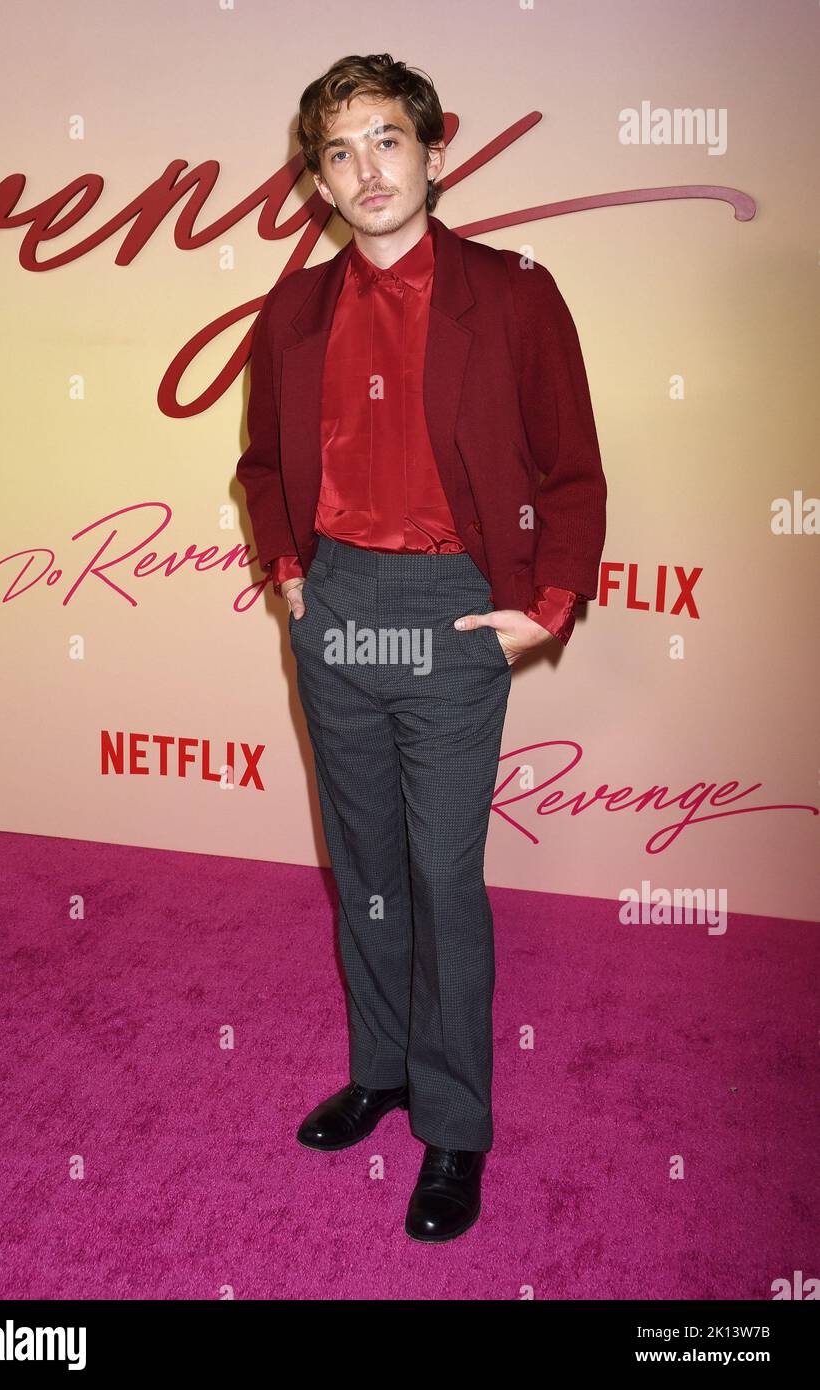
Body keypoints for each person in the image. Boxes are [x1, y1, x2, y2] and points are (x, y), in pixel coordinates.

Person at [236, 52, 607, 1242]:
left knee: (444, 877)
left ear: (434, 151)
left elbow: (570, 462)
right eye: (339, 152)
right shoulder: (291, 310)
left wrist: (545, 599)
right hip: (337, 599)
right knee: (369, 867)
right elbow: (261, 466)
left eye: (386, 140)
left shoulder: (512, 293)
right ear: (320, 184)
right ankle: (382, 1070)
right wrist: (291, 572)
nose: (367, 169)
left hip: (452, 607)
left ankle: (455, 1125)